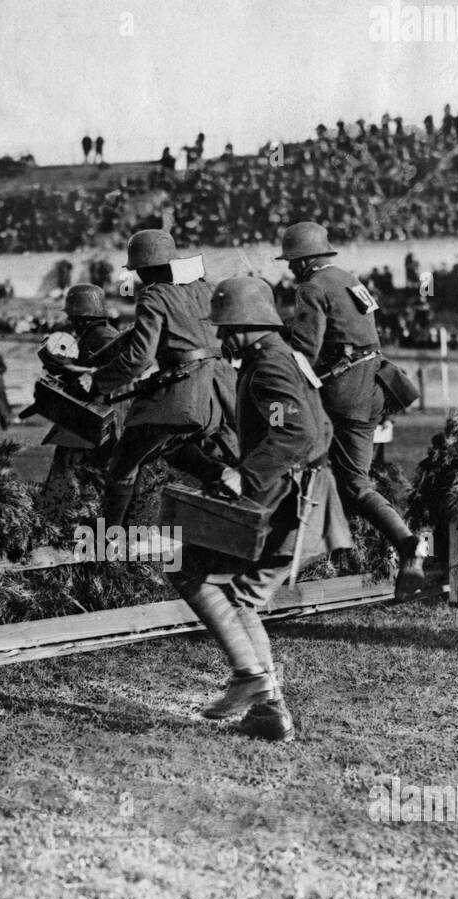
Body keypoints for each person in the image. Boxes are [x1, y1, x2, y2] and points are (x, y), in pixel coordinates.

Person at [168, 276, 346, 742]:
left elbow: (297, 434)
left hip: (284, 503)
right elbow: (304, 429)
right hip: (298, 499)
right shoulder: (283, 358)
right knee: (240, 595)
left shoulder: (270, 367)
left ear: (247, 324)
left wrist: (244, 476)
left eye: (226, 328)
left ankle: (251, 677)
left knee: (187, 567)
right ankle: (269, 710)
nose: (222, 337)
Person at [279, 221, 423, 599]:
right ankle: (340, 550)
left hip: (345, 395)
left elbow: (306, 350)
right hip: (374, 384)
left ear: (307, 260)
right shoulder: (347, 278)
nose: (291, 269)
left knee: (341, 478)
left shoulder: (311, 287)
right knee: (348, 478)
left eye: (293, 261)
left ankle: (405, 543)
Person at [88, 228, 237, 527]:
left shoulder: (153, 295)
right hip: (219, 392)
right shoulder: (203, 287)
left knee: (122, 462)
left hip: (182, 393)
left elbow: (139, 358)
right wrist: (97, 359)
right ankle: (219, 474)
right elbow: (137, 335)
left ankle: (108, 537)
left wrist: (95, 380)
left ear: (146, 267)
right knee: (168, 447)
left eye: (139, 270)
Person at [35, 284, 125, 493]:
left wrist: (68, 369)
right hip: (85, 420)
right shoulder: (95, 335)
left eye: (73, 316)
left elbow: (112, 377)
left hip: (92, 423)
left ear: (84, 316)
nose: (70, 320)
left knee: (70, 480)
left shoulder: (104, 337)